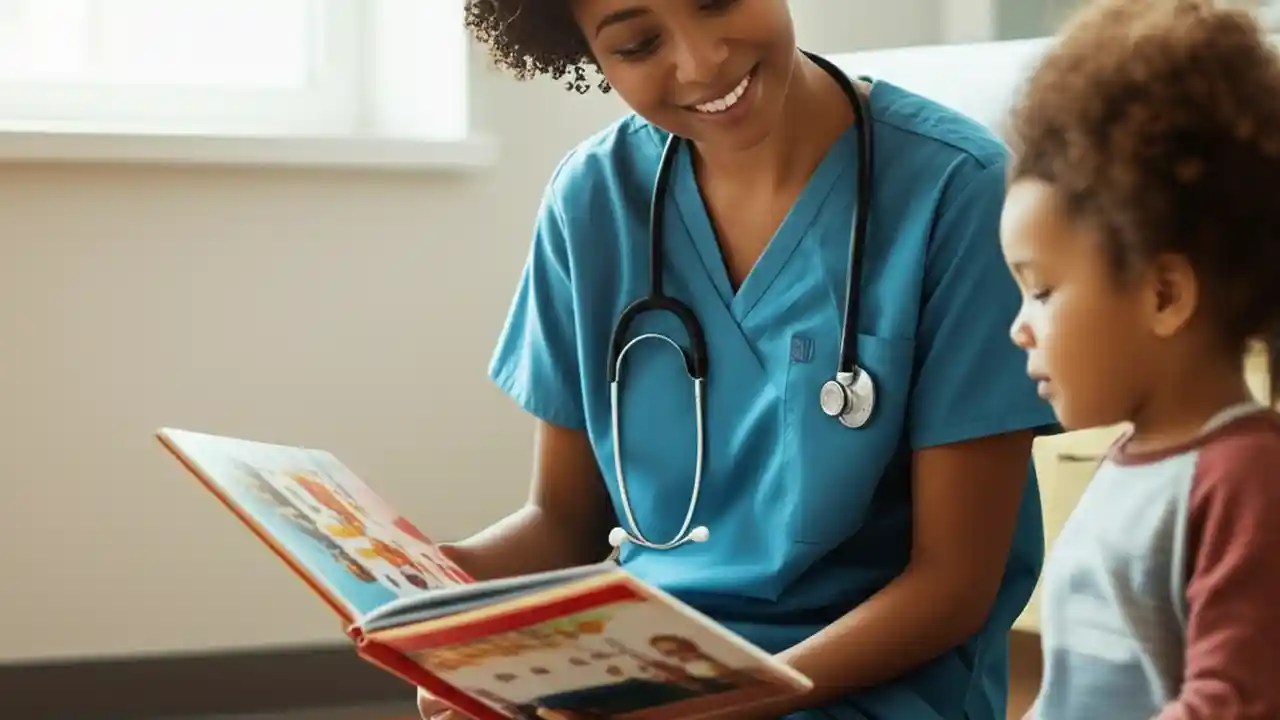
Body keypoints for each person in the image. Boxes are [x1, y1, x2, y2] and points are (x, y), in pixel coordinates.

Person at [421, 1, 1058, 718]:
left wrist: (708, 705)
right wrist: (428, 592)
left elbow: (951, 587)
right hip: (650, 670)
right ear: (588, 57)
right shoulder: (593, 201)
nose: (700, 61)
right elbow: (563, 519)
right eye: (637, 43)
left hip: (871, 687)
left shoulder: (957, 191)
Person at [998, 1, 1280, 717]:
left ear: (1162, 293)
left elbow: (1232, 701)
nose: (1019, 330)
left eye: (1041, 290)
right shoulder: (1132, 461)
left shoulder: (1244, 479)